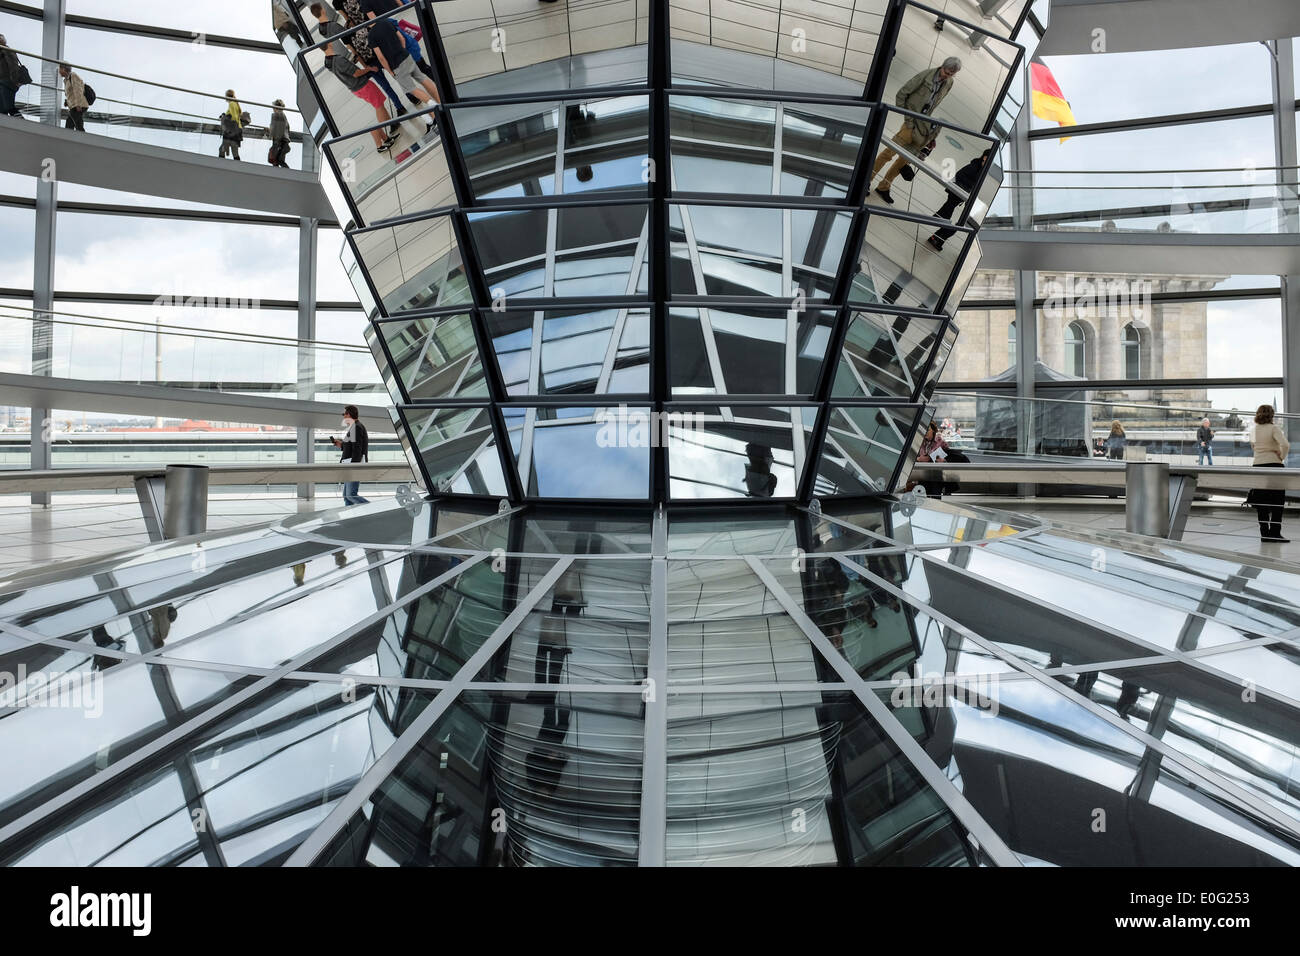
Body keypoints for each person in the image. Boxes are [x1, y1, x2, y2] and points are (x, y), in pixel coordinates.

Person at [872, 57, 962, 205]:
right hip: (910, 123)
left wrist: (930, 136)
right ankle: (867, 180)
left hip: (922, 126)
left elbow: (932, 105)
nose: (948, 76)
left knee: (904, 160)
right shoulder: (925, 76)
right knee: (889, 153)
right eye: (947, 72)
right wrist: (908, 121)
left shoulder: (949, 83)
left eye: (952, 74)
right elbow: (901, 95)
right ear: (942, 66)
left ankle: (884, 187)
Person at [324, 40, 399, 153]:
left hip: (356, 88)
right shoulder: (338, 59)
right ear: (329, 45)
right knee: (379, 106)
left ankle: (386, 137)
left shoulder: (328, 62)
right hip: (363, 85)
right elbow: (356, 73)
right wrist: (369, 69)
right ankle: (378, 142)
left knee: (379, 105)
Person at [367, 15, 441, 123]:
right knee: (423, 79)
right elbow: (401, 38)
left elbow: (381, 58)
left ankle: (434, 108)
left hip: (396, 66)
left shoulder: (371, 36)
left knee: (411, 89)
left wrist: (390, 71)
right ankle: (440, 102)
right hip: (406, 56)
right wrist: (402, 50)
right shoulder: (387, 22)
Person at [926, 149, 989, 251]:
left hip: (960, 194)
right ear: (985, 157)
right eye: (988, 159)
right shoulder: (974, 166)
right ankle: (936, 234)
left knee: (950, 217)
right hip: (957, 192)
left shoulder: (980, 169)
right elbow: (960, 175)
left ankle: (936, 233)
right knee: (957, 223)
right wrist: (968, 188)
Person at [1248, 404, 1290, 543]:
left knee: (1261, 501)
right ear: (1271, 415)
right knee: (1278, 501)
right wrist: (1281, 455)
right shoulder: (1274, 428)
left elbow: (1253, 447)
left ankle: (1265, 535)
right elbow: (1285, 445)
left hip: (1258, 466)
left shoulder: (1253, 430)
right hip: (1274, 465)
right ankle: (1275, 534)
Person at [332, 405, 370, 505]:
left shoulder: (356, 427)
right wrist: (341, 445)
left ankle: (373, 509)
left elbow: (357, 450)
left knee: (351, 495)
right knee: (347, 496)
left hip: (353, 466)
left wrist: (353, 468)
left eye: (344, 414)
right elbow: (351, 447)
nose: (343, 417)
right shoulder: (354, 427)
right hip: (351, 465)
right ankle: (349, 517)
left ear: (348, 414)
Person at [0, 35, 28, 117]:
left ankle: (24, 124)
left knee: (9, 107)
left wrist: (14, 82)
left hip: (8, 82)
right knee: (2, 108)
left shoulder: (7, 51)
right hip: (3, 82)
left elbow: (13, 67)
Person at [58, 63, 88, 131]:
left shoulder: (73, 76)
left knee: (73, 125)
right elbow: (71, 94)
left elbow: (78, 90)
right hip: (73, 106)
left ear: (63, 69)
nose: (58, 71)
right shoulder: (66, 80)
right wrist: (67, 102)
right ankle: (80, 139)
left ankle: (82, 139)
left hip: (79, 105)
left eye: (59, 69)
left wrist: (78, 104)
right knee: (74, 125)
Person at [219, 90, 244, 159]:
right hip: (237, 130)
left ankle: (221, 165)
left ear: (227, 96)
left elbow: (234, 117)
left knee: (222, 150)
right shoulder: (235, 103)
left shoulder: (231, 103)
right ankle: (238, 167)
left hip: (232, 130)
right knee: (234, 152)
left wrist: (224, 118)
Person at [267, 98, 291, 167]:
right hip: (284, 140)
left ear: (276, 106)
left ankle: (288, 173)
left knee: (277, 160)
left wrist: (271, 133)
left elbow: (276, 127)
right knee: (278, 160)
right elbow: (286, 128)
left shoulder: (276, 115)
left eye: (273, 106)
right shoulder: (284, 116)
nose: (272, 108)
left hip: (279, 140)